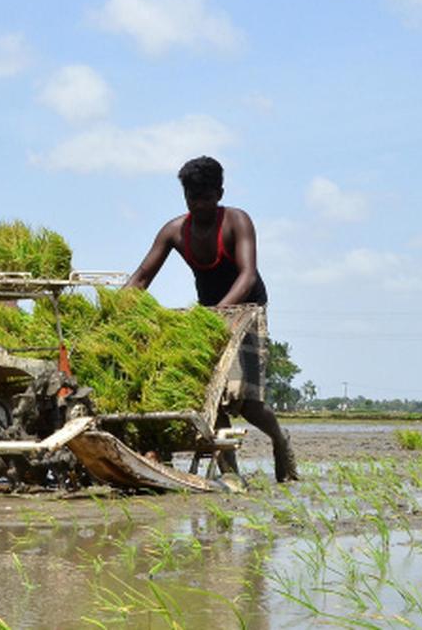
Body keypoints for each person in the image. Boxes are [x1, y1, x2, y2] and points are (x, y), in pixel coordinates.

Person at [125, 155, 297, 482]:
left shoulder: (236, 221)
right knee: (211, 399)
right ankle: (230, 474)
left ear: (219, 194)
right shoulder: (175, 231)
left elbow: (247, 275)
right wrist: (116, 308)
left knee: (246, 402)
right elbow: (142, 278)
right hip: (208, 315)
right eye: (192, 198)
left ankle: (279, 438)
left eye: (206, 198)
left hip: (247, 309)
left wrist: (218, 315)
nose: (199, 205)